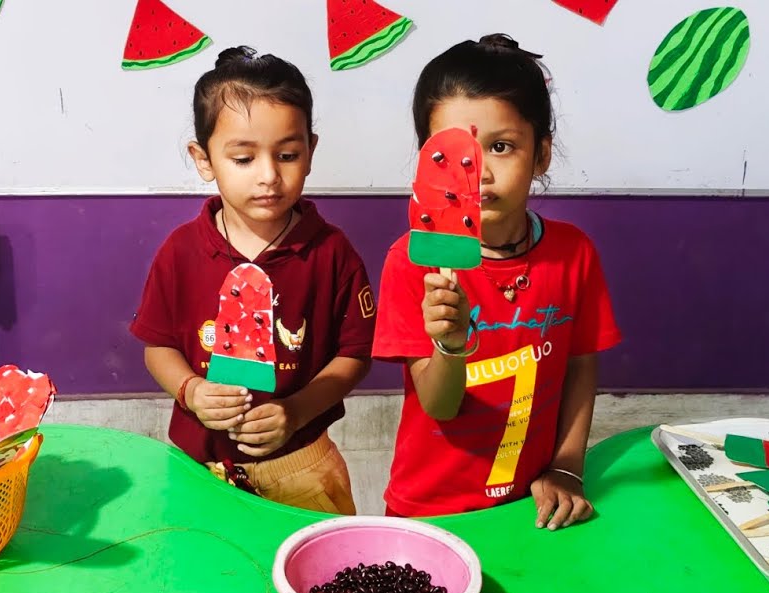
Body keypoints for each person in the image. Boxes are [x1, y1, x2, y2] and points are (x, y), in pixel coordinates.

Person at [374, 34, 621, 529]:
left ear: (542, 154)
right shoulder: (410, 262)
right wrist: (450, 343)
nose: (478, 173)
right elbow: (440, 407)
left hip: (533, 505)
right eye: (451, 155)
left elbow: (579, 368)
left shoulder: (574, 253)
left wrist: (568, 467)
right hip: (431, 509)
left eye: (501, 147)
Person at [130, 46, 376, 514]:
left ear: (310, 151)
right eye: (243, 159)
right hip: (200, 465)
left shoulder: (332, 252)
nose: (269, 176)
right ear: (203, 160)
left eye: (287, 154)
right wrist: (191, 390)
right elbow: (157, 347)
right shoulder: (181, 252)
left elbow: (354, 356)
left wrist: (298, 410)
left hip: (302, 464)